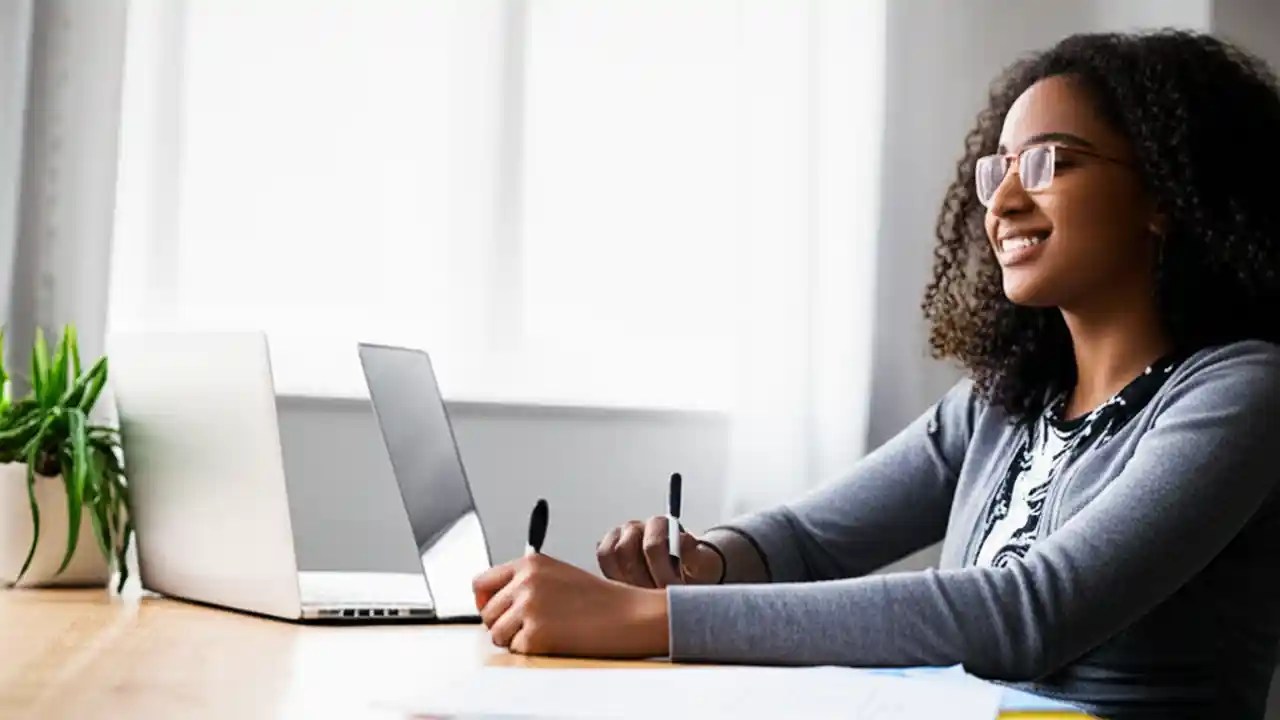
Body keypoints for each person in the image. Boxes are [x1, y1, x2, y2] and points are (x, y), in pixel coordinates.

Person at [471, 30, 1280, 719]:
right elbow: (807, 538)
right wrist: (705, 563)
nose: (1002, 206)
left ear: (1165, 195)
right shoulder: (1004, 402)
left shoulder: (1241, 392)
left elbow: (1030, 613)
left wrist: (651, 618)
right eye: (996, 173)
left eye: (1050, 165)